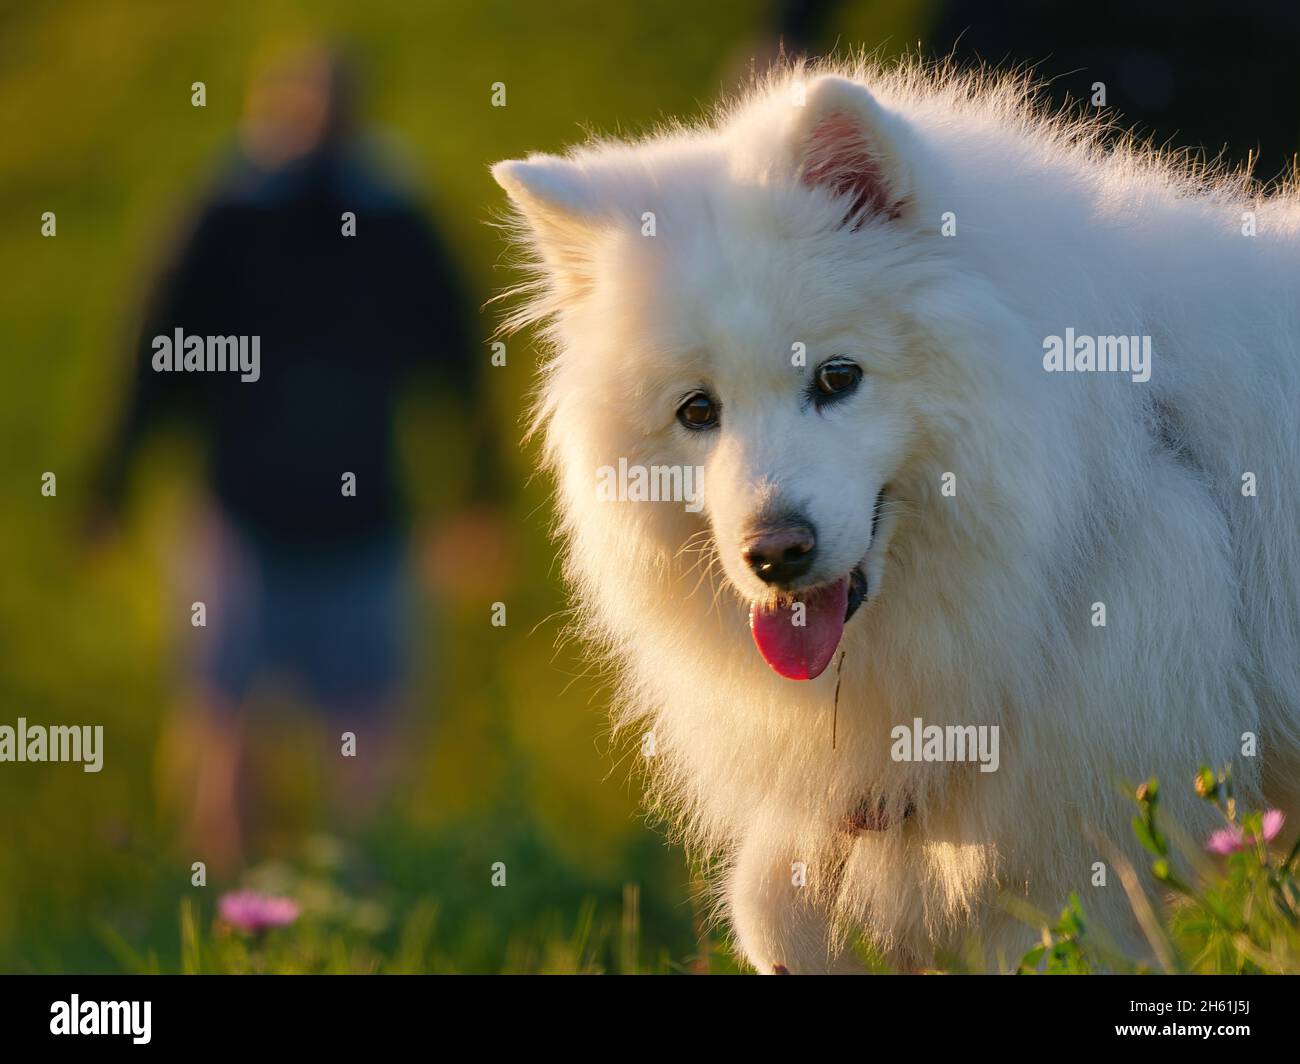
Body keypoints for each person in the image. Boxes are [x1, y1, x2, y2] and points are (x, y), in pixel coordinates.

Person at [91, 43, 496, 869]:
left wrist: (481, 495)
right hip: (249, 525)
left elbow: (462, 363)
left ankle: (347, 914)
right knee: (227, 729)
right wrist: (110, 485)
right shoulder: (234, 215)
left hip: (361, 528)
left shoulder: (384, 222)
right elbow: (155, 355)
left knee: (357, 743)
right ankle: (241, 911)